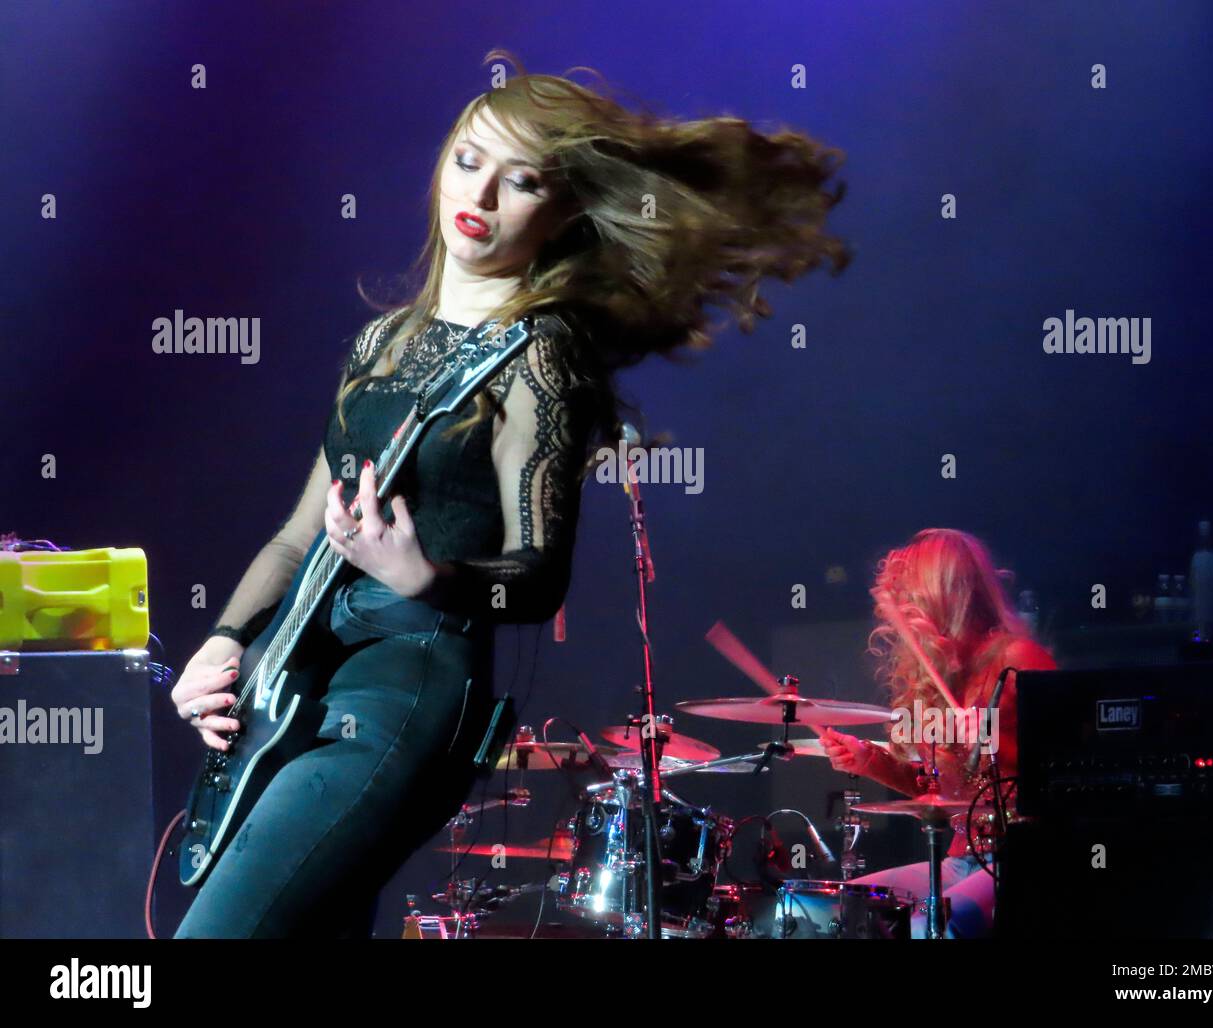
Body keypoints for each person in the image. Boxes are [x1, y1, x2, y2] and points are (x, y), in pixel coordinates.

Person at [170, 49, 850, 937]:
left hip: (401, 694)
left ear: (563, 210)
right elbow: (299, 537)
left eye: (520, 180)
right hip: (295, 679)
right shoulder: (379, 343)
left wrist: (425, 576)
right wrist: (222, 642)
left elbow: (538, 575)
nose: (481, 197)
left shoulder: (539, 354)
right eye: (468, 161)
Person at [821, 528, 1056, 938]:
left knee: (933, 926)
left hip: (1021, 855)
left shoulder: (1018, 659)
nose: (905, 610)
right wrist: (869, 760)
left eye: (913, 594)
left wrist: (989, 736)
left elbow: (1066, 765)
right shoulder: (942, 676)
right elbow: (941, 792)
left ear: (945, 593)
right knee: (846, 909)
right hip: (962, 857)